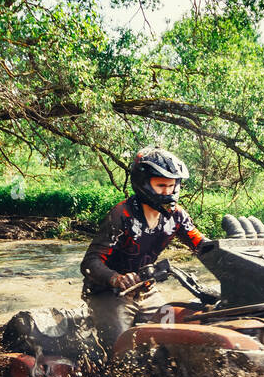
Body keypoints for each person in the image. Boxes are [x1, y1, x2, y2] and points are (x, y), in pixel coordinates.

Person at [80, 147, 209, 349]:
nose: (168, 192)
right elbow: (90, 263)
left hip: (147, 290)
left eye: (172, 186)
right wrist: (117, 279)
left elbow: (202, 245)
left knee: (170, 340)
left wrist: (233, 249)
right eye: (160, 185)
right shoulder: (121, 215)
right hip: (108, 293)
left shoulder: (177, 216)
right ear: (143, 184)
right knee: (121, 349)